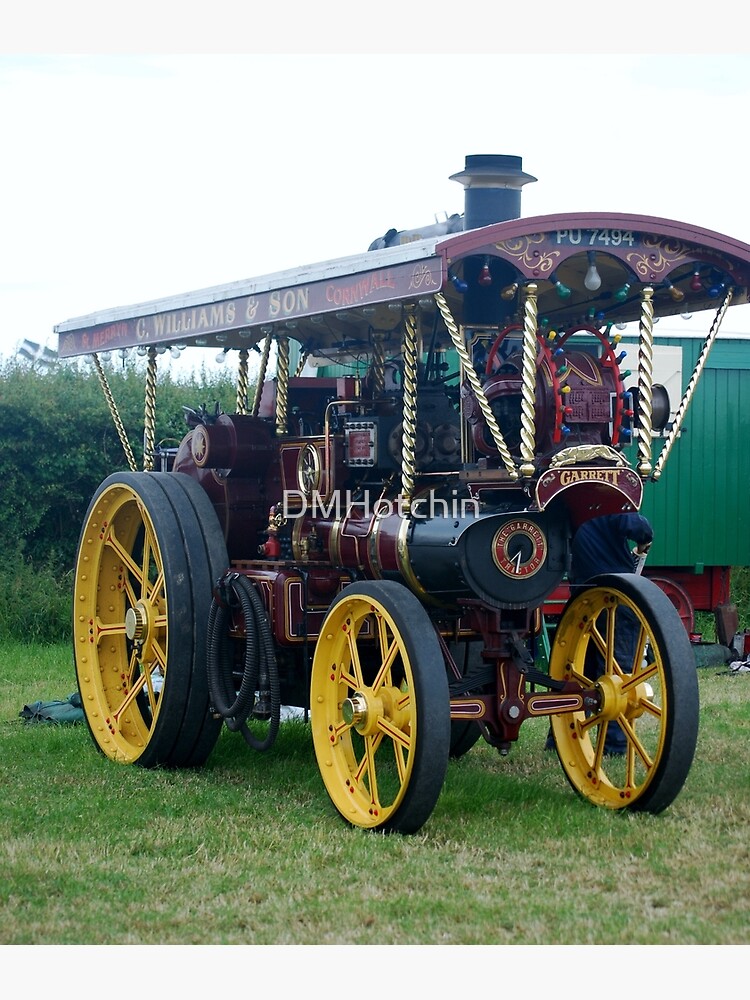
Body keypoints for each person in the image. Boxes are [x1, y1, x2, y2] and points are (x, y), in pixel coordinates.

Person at [546, 512, 654, 755]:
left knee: (576, 671)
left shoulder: (569, 507)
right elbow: (640, 529)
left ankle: (560, 740)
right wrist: (643, 544)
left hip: (583, 603)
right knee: (618, 671)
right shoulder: (609, 504)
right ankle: (615, 745)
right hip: (616, 599)